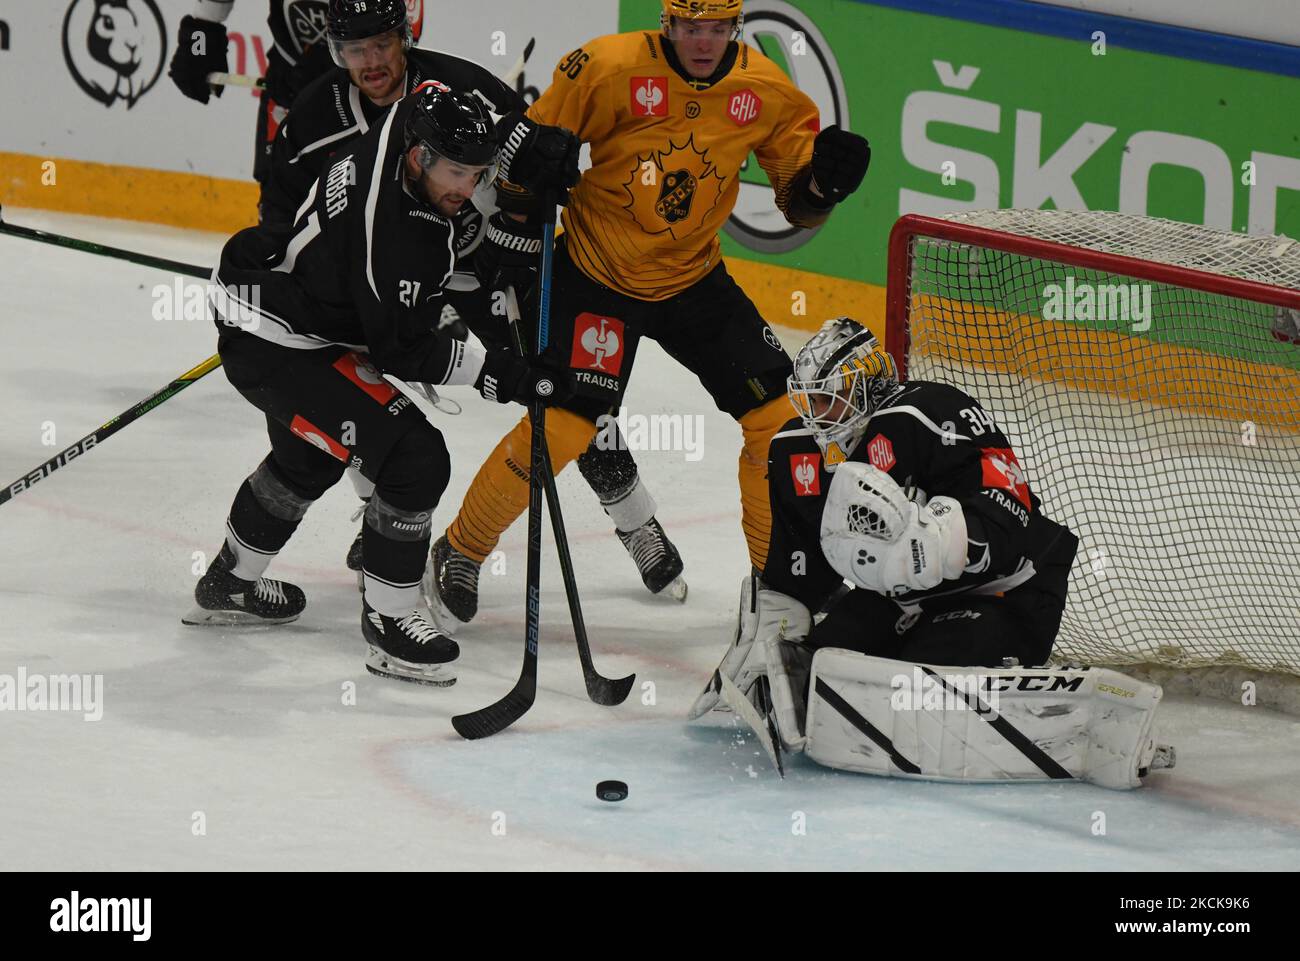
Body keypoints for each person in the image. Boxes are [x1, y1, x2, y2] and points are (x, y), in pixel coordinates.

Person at [426, 0, 872, 630]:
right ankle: (462, 547)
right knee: (566, 427)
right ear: (668, 22)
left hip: (694, 281)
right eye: (691, 27)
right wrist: (535, 173)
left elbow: (798, 209)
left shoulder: (766, 89)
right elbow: (518, 157)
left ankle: (776, 588)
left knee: (778, 421)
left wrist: (823, 190)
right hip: (597, 277)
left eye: (717, 29)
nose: (703, 41)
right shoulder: (605, 68)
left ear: (734, 28)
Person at [184, 85, 579, 687]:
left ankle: (229, 582)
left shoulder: (401, 124)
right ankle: (390, 623)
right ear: (421, 158)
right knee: (415, 458)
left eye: (478, 173)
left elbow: (435, 87)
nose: (468, 189)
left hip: (280, 303)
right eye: (457, 173)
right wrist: (502, 374)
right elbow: (406, 349)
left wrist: (524, 139)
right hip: (282, 345)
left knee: (308, 456)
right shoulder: (399, 236)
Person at [689, 316, 1080, 717]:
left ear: (868, 386)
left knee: (923, 681)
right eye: (809, 400)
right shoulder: (796, 450)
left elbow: (1011, 505)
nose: (816, 415)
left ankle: (1023, 688)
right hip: (903, 601)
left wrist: (945, 541)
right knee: (821, 668)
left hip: (1006, 589)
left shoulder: (929, 413)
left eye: (828, 398)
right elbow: (801, 570)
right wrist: (775, 628)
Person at [168, 1, 425, 214]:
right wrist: (202, 29)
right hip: (290, 75)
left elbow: (402, 30)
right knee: (278, 199)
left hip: (364, 89)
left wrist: (336, 67)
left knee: (370, 196)